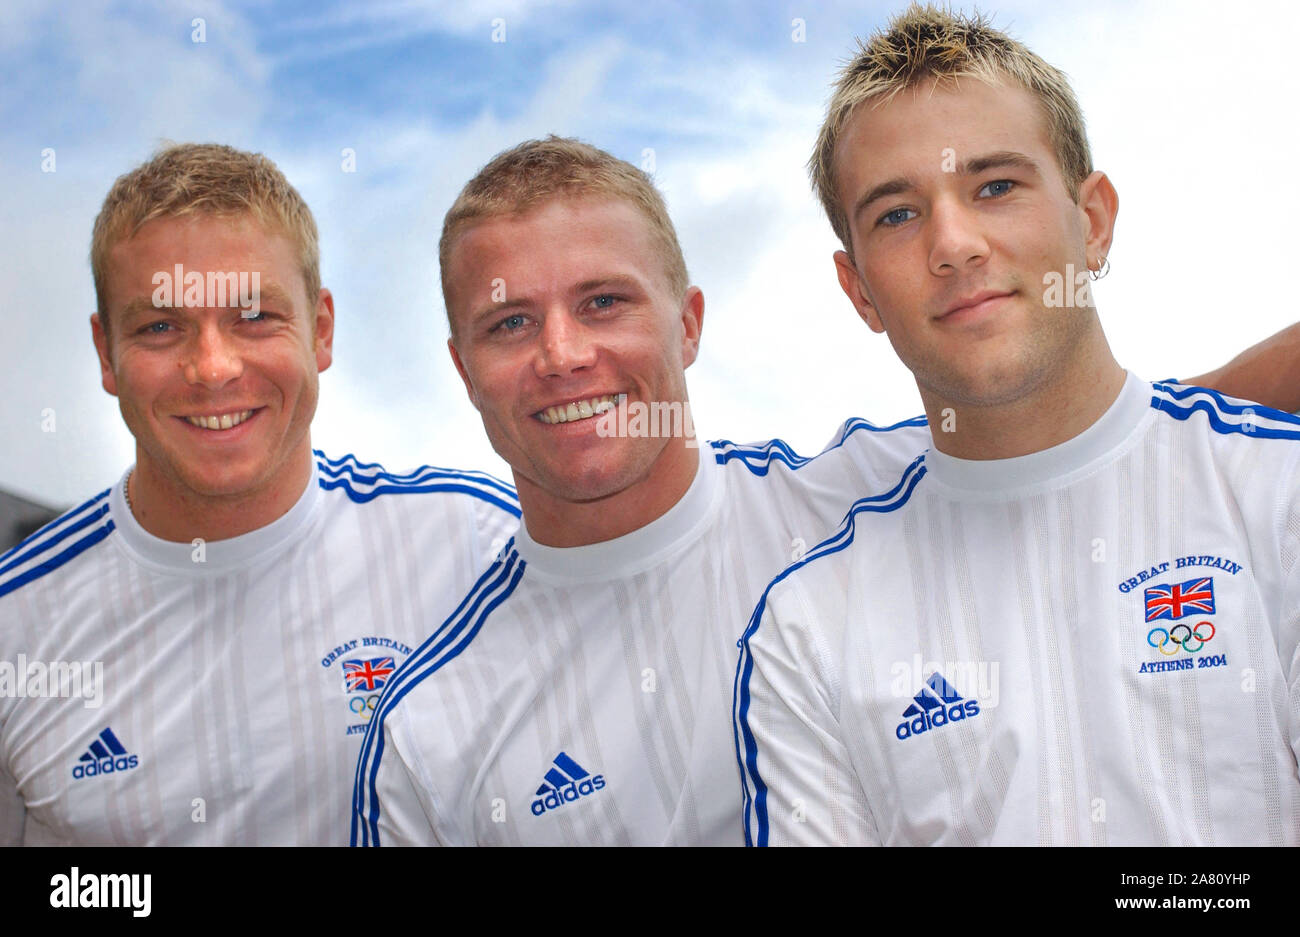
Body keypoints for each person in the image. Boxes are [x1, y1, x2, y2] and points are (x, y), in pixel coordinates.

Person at [353, 136, 1299, 846]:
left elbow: (1145, 433)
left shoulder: (865, 504)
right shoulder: (427, 732)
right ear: (462, 366)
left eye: (605, 302)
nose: (564, 354)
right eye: (511, 322)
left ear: (688, 324)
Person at [734, 5, 1300, 846]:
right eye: (897, 213)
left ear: (1094, 219)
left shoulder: (1276, 494)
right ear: (859, 293)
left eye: (995, 186)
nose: (954, 244)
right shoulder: (806, 627)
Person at [0, 143, 518, 845]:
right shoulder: (18, 632)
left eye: (253, 318)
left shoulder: (480, 543)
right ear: (105, 354)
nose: (212, 368)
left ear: (321, 329)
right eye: (161, 326)